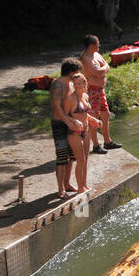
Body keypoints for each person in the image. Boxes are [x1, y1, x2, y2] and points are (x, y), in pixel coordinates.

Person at [50, 59, 84, 198]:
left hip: (70, 123)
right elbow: (57, 107)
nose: (78, 75)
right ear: (71, 72)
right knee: (62, 157)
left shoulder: (71, 84)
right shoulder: (57, 85)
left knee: (71, 157)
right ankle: (60, 190)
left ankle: (67, 184)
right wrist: (68, 121)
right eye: (77, 72)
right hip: (59, 124)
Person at [81, 35, 120, 152]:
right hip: (91, 90)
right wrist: (104, 68)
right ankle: (96, 145)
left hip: (100, 90)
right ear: (92, 45)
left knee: (105, 114)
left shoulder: (96, 55)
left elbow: (106, 65)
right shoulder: (86, 58)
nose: (100, 45)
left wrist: (104, 68)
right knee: (93, 117)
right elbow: (98, 72)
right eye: (98, 43)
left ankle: (107, 141)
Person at [69, 72, 101, 190]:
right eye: (75, 84)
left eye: (80, 83)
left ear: (85, 83)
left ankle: (84, 184)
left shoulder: (85, 96)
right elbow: (63, 115)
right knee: (80, 160)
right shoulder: (70, 99)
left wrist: (94, 120)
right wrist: (74, 120)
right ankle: (79, 188)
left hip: (86, 131)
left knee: (86, 160)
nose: (78, 86)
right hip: (74, 133)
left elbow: (85, 113)